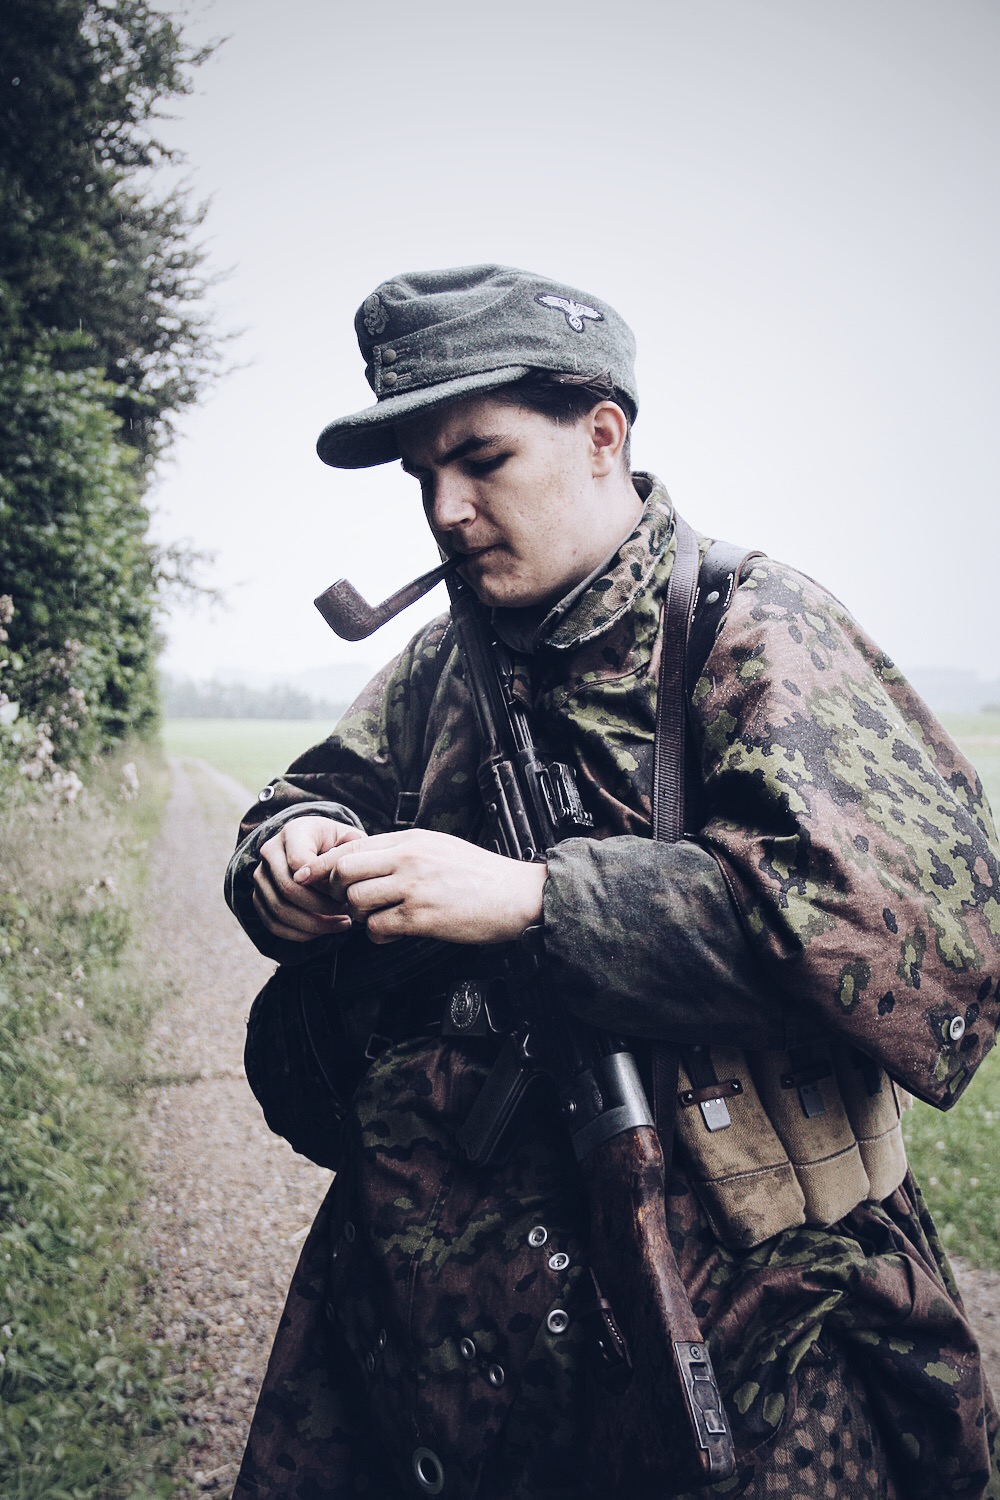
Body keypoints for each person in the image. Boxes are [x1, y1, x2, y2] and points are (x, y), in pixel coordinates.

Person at [225, 265, 1000, 1499]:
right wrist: (287, 856)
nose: (443, 507)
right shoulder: (445, 656)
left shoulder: (758, 630)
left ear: (601, 437)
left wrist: (537, 900)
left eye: (479, 457)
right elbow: (311, 792)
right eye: (421, 475)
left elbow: (920, 939)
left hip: (740, 1309)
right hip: (433, 1309)